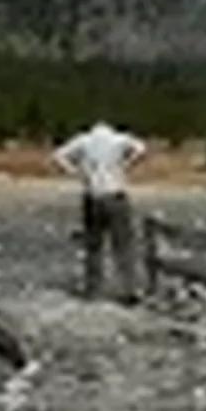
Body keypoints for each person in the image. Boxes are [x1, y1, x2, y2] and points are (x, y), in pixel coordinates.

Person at [53, 119, 147, 301]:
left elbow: (58, 156)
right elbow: (141, 149)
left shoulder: (84, 141)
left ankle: (93, 289)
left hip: (93, 195)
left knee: (94, 245)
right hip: (116, 193)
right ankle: (129, 288)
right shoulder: (118, 140)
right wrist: (127, 164)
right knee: (123, 244)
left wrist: (76, 171)